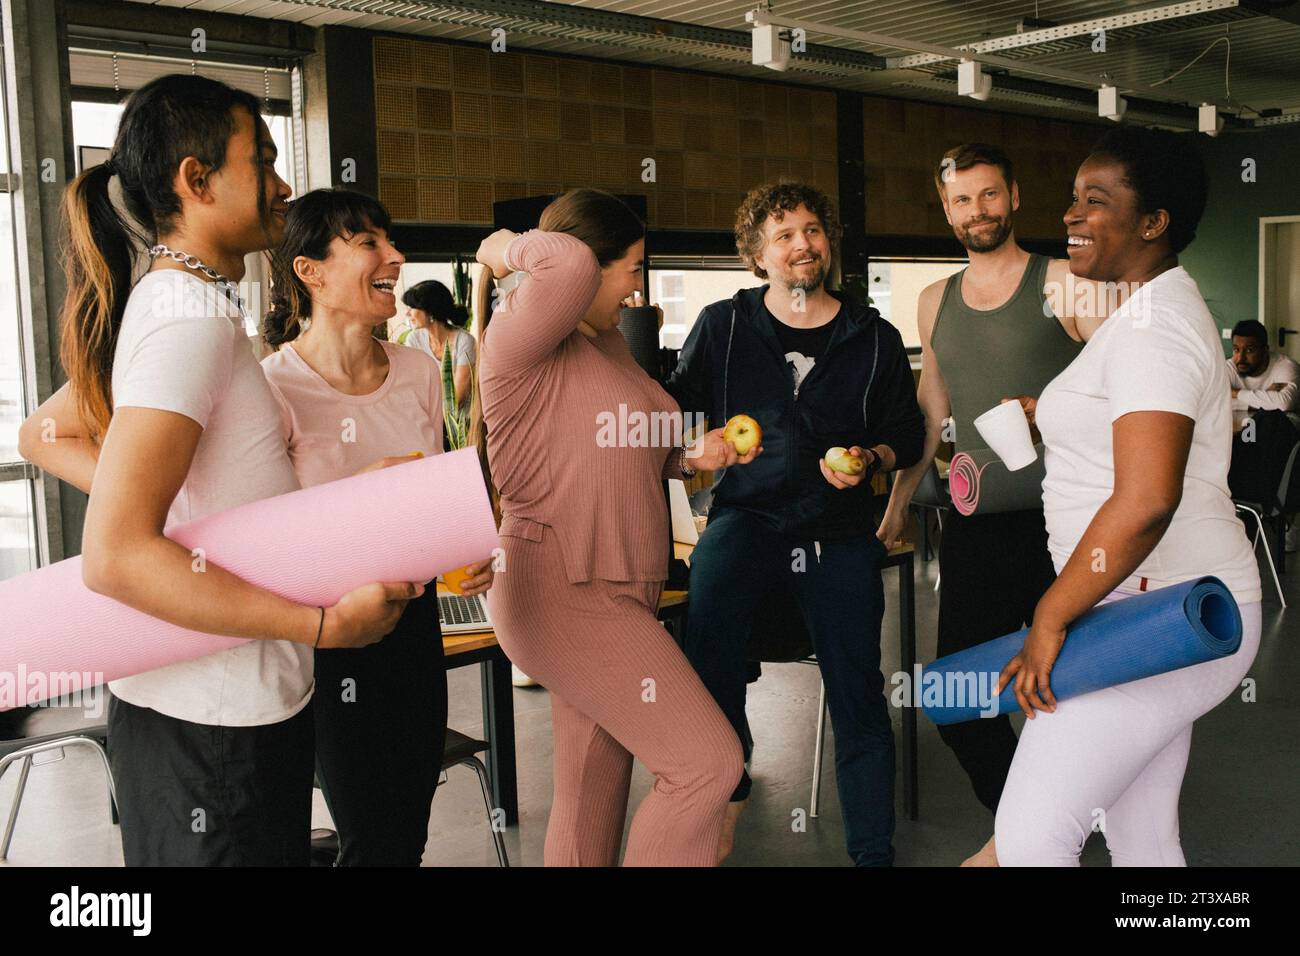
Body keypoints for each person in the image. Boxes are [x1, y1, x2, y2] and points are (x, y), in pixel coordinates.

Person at [16, 75, 419, 866]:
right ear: (196, 181)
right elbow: (116, 555)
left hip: (217, 710)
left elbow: (76, 457)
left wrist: (175, 519)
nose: (282, 184)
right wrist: (324, 627)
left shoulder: (182, 305)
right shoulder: (185, 322)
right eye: (261, 160)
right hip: (213, 725)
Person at [991, 126, 1261, 866]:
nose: (1072, 215)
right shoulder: (1143, 313)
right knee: (1142, 838)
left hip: (1164, 609)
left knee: (1028, 840)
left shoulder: (1155, 326)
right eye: (1074, 198)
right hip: (1148, 601)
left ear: (1153, 223)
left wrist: (1051, 615)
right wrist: (1053, 416)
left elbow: (1146, 500)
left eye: (1096, 201)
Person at [477, 188, 756, 866]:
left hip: (621, 586)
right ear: (590, 267)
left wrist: (695, 452)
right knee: (708, 767)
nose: (637, 288)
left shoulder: (606, 343)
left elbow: (644, 443)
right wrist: (499, 249)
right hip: (564, 589)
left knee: (589, 787)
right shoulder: (520, 336)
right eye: (631, 267)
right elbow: (563, 263)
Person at [666, 180, 925, 866]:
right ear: (758, 255)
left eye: (811, 230)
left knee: (857, 690)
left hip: (838, 530)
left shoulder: (873, 336)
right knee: (705, 640)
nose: (801, 244)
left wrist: (872, 457)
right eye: (782, 235)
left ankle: (873, 853)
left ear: (827, 242)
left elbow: (906, 430)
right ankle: (729, 780)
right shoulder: (722, 325)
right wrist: (696, 446)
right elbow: (679, 411)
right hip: (746, 517)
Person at [877, 143, 1110, 865]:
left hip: (1065, 530)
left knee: (1070, 696)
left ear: (1012, 196)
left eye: (988, 195)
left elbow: (1124, 396)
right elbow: (930, 411)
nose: (976, 211)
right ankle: (1035, 833)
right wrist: (897, 502)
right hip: (973, 532)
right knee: (958, 701)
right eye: (960, 200)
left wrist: (1054, 410)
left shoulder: (1066, 284)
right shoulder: (934, 300)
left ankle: (1039, 839)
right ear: (945, 210)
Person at [260, 188, 494, 865]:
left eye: (390, 241)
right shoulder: (275, 388)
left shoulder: (419, 370)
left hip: (415, 629)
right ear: (312, 272)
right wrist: (361, 500)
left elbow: (435, 490)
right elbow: (272, 537)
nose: (394, 256)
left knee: (407, 833)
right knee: (369, 838)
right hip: (333, 638)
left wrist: (471, 542)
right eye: (370, 243)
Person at [401, 279, 476, 417]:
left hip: (461, 425)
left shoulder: (465, 341)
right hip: (426, 419)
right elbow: (415, 388)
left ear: (430, 311)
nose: (408, 313)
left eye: (412, 307)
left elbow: (458, 397)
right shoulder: (413, 340)